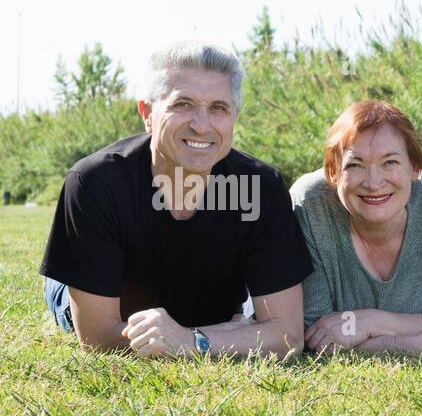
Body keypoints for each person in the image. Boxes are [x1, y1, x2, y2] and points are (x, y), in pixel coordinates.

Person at [39, 42, 312, 359]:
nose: (201, 124)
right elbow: (98, 336)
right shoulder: (95, 183)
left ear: (235, 116)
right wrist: (236, 335)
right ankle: (59, 275)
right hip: (100, 292)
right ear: (147, 114)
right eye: (182, 104)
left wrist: (191, 341)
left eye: (219, 108)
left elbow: (288, 336)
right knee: (64, 284)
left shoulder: (260, 188)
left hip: (193, 314)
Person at [291, 101, 422, 355]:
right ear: (333, 172)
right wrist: (411, 345)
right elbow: (313, 333)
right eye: (355, 165)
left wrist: (370, 322)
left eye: (390, 162)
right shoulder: (310, 204)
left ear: (415, 167)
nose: (373, 183)